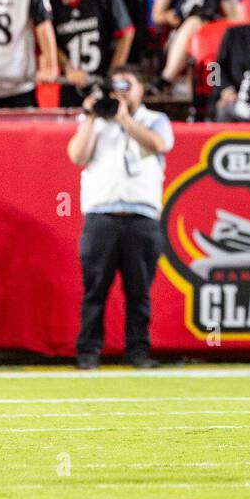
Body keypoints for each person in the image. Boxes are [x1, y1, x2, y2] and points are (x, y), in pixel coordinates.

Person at [67, 70, 173, 370]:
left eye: (129, 86)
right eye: (117, 87)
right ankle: (88, 352)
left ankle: (138, 351)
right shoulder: (95, 121)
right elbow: (76, 154)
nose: (122, 93)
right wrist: (90, 115)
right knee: (94, 290)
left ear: (142, 89)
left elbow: (159, 144)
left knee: (139, 292)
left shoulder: (155, 119)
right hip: (101, 216)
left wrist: (125, 119)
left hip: (141, 216)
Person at [43, 0, 134, 107]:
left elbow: (126, 32)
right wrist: (69, 68)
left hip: (102, 78)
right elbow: (46, 41)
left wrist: (112, 74)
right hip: (70, 84)